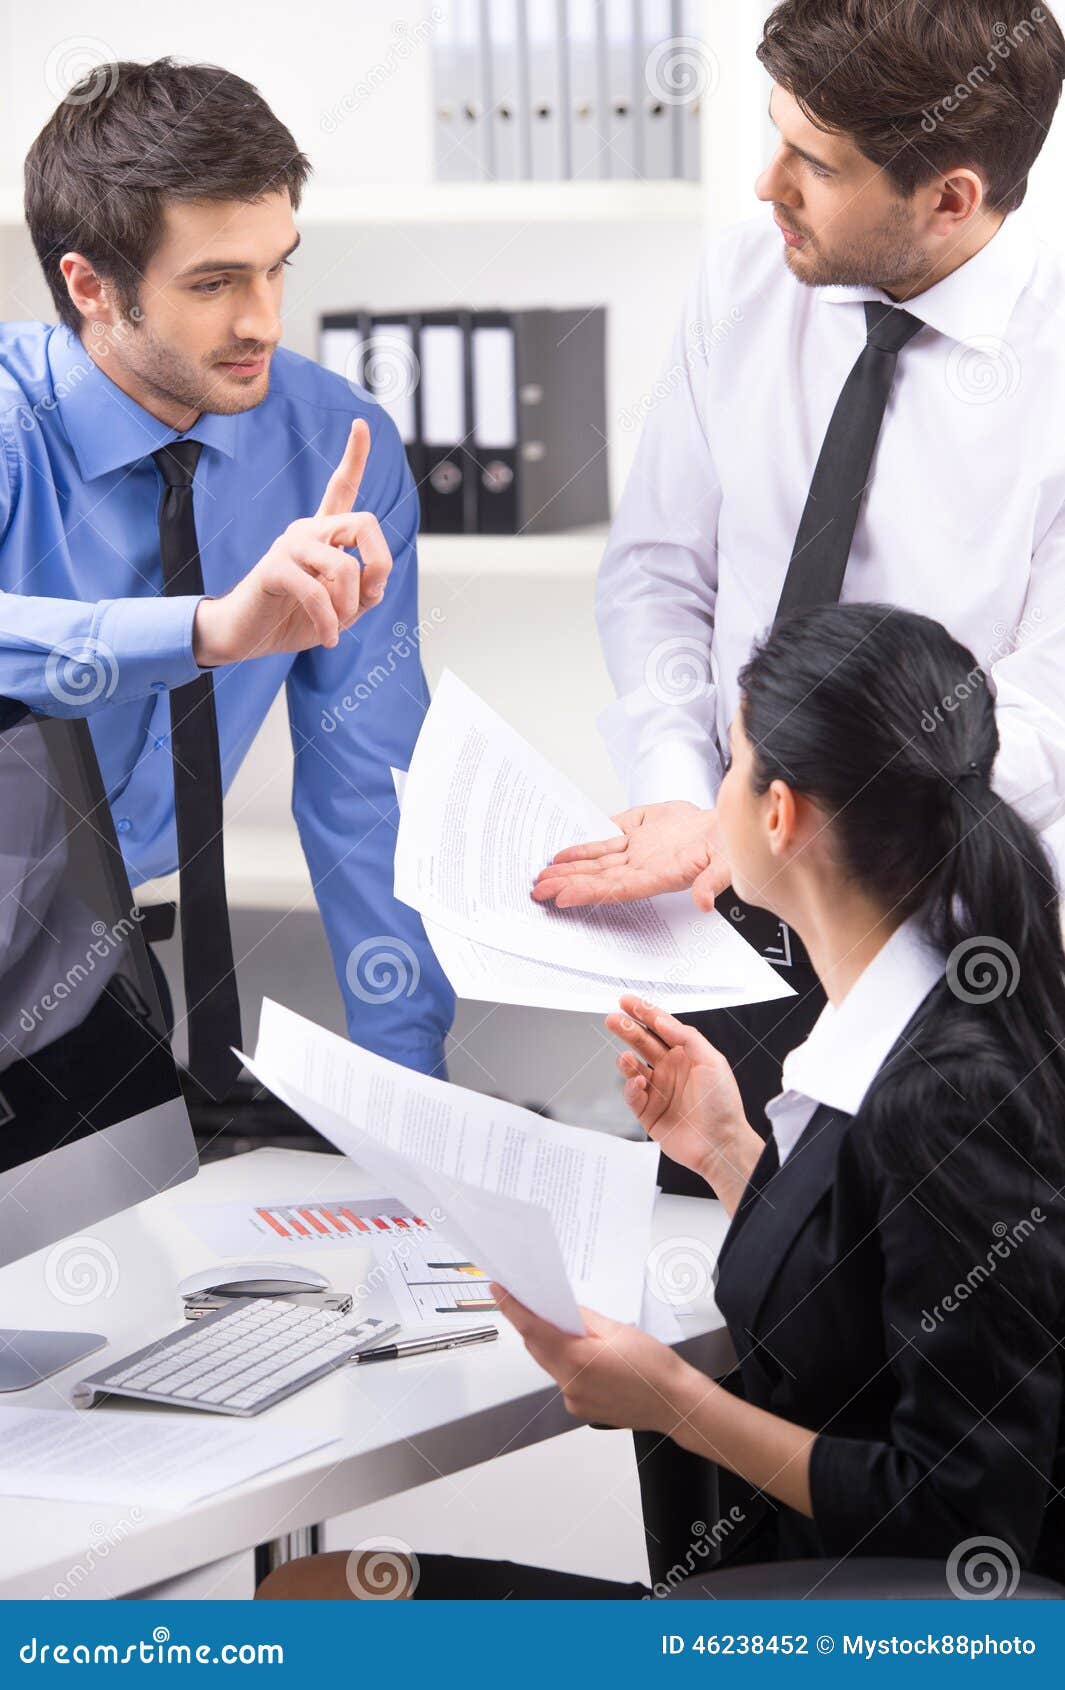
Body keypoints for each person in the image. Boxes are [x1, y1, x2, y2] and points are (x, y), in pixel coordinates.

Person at [256, 603, 1065, 1600]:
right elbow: (866, 1302)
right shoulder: (903, 1021)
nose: (713, 796)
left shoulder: (947, 1095)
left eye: (731, 763)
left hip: (883, 1636)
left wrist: (671, 1397)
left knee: (314, 1599)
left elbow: (960, 1515)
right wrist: (727, 1152)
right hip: (821, 1584)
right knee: (319, 1591)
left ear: (779, 815)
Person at [533, 0, 1065, 1175]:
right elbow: (660, 572)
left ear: (951, 198)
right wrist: (689, 802)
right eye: (777, 136)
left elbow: (1045, 713)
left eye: (815, 164)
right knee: (713, 1232)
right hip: (726, 902)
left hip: (943, 931)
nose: (766, 184)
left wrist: (810, 817)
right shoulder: (745, 280)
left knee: (929, 1259)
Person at [0, 58, 454, 1099]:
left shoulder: (337, 446)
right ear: (90, 287)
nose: (264, 321)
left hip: (93, 971)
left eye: (275, 268)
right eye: (213, 284)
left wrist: (413, 1097)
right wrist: (200, 631)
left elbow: (367, 785)